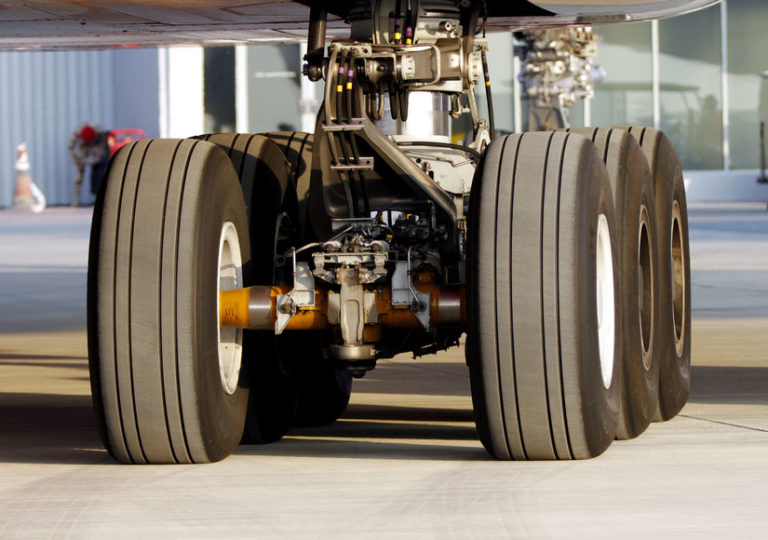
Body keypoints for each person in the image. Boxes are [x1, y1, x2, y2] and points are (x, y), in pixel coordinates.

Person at [68, 124, 107, 206]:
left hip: (95, 146)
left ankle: (100, 199)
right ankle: (76, 202)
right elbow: (70, 148)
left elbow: (103, 146)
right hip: (83, 146)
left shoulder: (100, 131)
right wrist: (78, 162)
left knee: (100, 171)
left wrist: (97, 158)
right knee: (78, 176)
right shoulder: (77, 133)